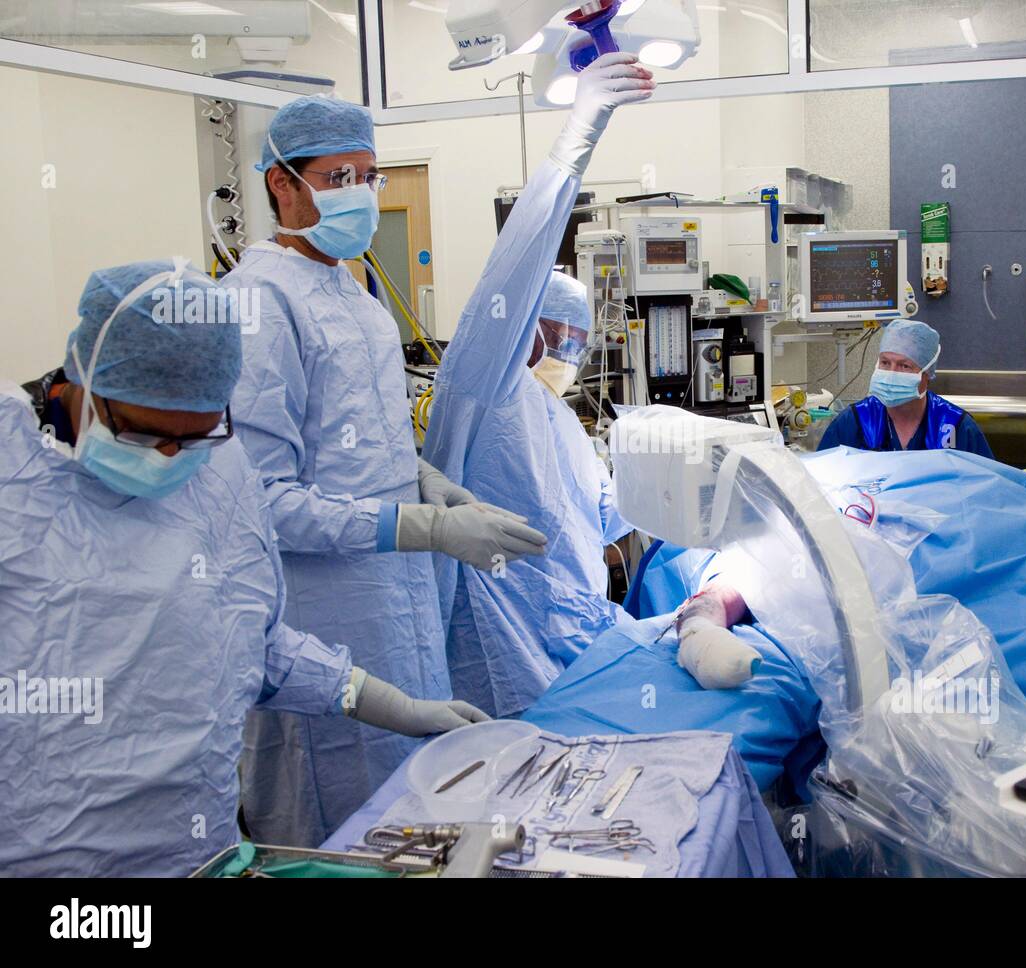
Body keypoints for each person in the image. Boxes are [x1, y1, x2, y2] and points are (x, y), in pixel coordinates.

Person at [0, 260, 487, 876]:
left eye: (197, 435)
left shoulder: (222, 473)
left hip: (194, 851)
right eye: (148, 434)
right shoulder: (12, 477)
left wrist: (381, 701)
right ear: (84, 372)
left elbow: (251, 634)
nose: (172, 458)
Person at [220, 96, 545, 847]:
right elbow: (261, 500)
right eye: (339, 176)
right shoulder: (259, 303)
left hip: (399, 615)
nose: (362, 195)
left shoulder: (358, 296)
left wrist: (428, 484)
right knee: (336, 824)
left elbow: (367, 444)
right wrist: (422, 525)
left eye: (370, 176)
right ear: (281, 184)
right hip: (321, 620)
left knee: (413, 810)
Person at [421, 53, 654, 717]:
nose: (571, 351)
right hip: (502, 663)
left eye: (581, 340)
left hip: (573, 647)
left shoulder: (557, 421)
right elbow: (514, 268)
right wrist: (577, 137)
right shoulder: (483, 391)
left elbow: (609, 514)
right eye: (559, 333)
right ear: (524, 326)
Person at [816, 318, 993, 459]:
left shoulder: (955, 425)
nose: (891, 373)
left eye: (904, 366)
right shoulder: (855, 421)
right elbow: (820, 484)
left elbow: (987, 490)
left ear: (927, 373)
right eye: (885, 363)